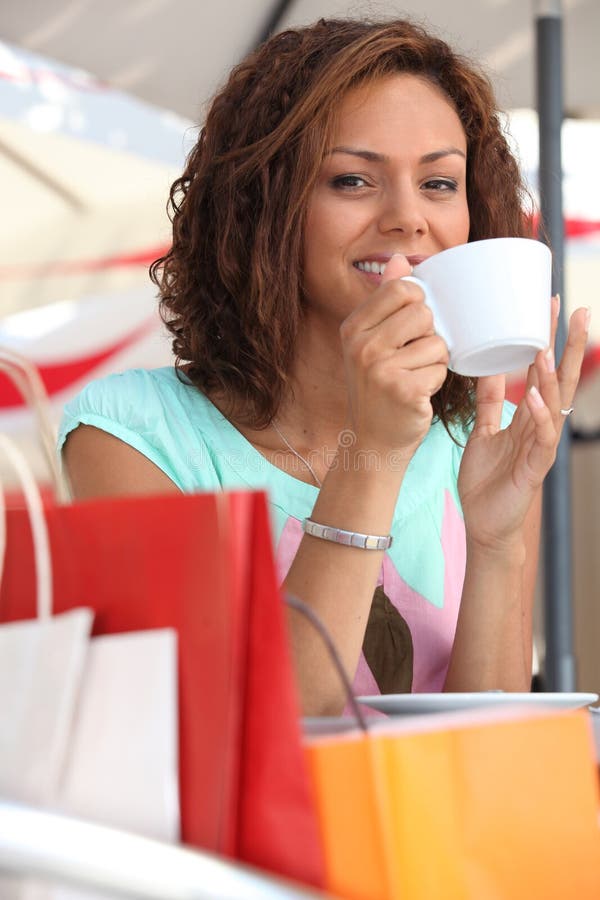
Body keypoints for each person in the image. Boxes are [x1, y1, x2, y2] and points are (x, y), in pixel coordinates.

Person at [60, 18, 589, 716]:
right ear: (266, 207)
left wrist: (496, 544)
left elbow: (491, 747)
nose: (407, 218)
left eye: (438, 182)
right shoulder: (131, 436)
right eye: (352, 179)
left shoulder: (487, 442)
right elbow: (267, 731)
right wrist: (370, 451)